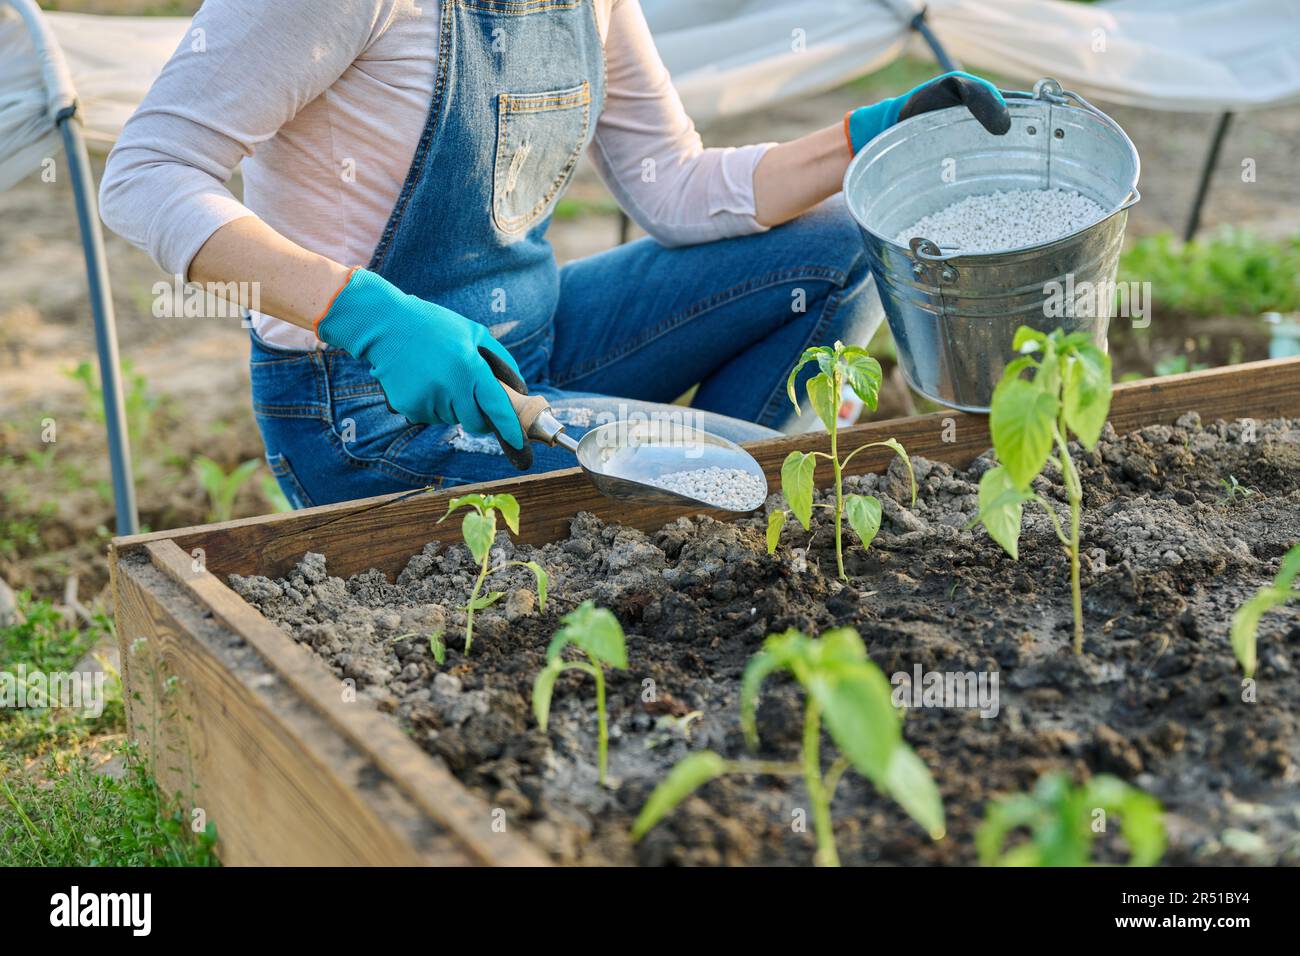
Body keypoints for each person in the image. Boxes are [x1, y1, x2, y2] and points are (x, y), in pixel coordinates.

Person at [100, 0, 1009, 508]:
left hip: (537, 339)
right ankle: (711, 507)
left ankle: (711, 515)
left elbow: (671, 182)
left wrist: (861, 140)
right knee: (740, 480)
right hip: (366, 408)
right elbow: (144, 173)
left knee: (843, 240)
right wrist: (362, 313)